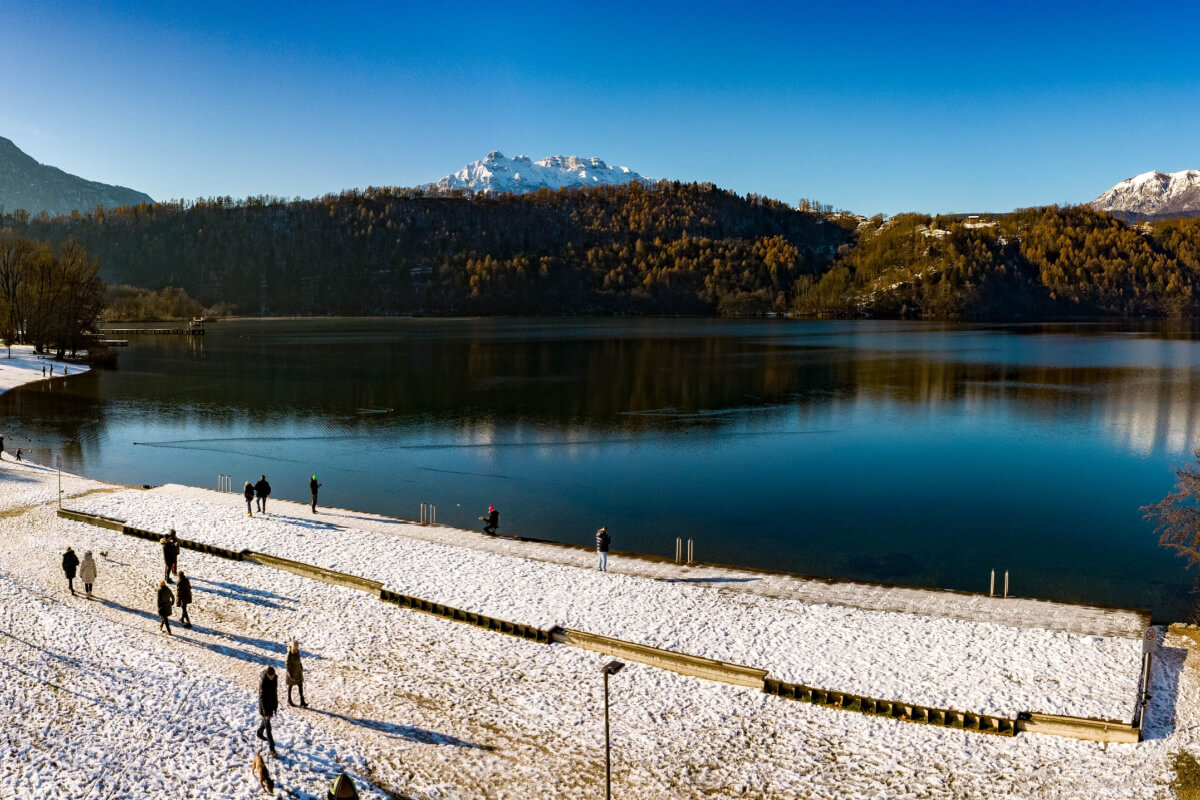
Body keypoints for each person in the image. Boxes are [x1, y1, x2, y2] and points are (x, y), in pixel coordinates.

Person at [257, 666, 279, 756]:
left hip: (271, 704)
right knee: (268, 729)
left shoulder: (274, 679)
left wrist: (275, 705)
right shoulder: (263, 682)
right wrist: (265, 713)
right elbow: (262, 698)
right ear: (267, 674)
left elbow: (275, 692)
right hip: (264, 706)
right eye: (271, 676)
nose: (272, 677)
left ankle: (259, 732)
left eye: (273, 676)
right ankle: (272, 749)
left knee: (266, 721)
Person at [286, 639, 308, 707]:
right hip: (292, 674)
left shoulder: (297, 653)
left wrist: (301, 667)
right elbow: (288, 667)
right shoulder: (289, 655)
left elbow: (299, 661)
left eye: (297, 649)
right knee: (290, 686)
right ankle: (289, 700)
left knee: (300, 686)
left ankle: (302, 701)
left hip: (298, 673)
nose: (296, 650)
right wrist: (290, 676)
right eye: (295, 649)